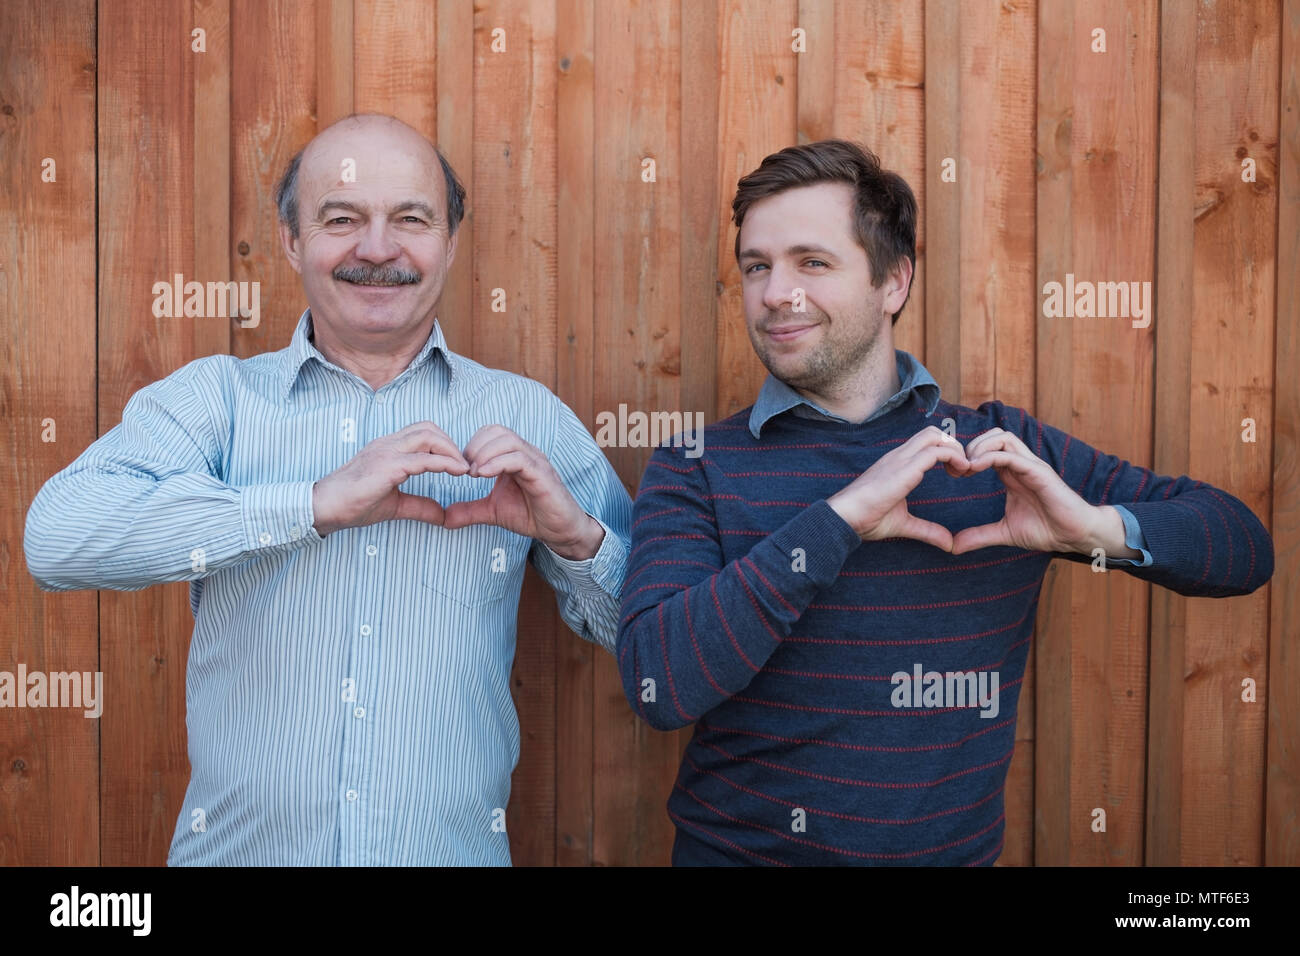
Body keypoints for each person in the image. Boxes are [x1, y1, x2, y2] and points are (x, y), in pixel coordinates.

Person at [615, 139, 1273, 866]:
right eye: (756, 267)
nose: (777, 293)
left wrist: (1090, 530)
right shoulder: (695, 466)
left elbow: (1241, 545)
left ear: (893, 282)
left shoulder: (1002, 451)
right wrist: (837, 522)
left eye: (813, 262)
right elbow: (658, 684)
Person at [24, 113, 631, 866]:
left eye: (411, 219)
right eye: (342, 219)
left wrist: (576, 540)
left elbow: (644, 635)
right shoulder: (219, 402)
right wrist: (310, 505)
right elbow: (56, 538)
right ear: (291, 240)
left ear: (449, 241)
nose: (378, 249)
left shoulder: (525, 417)